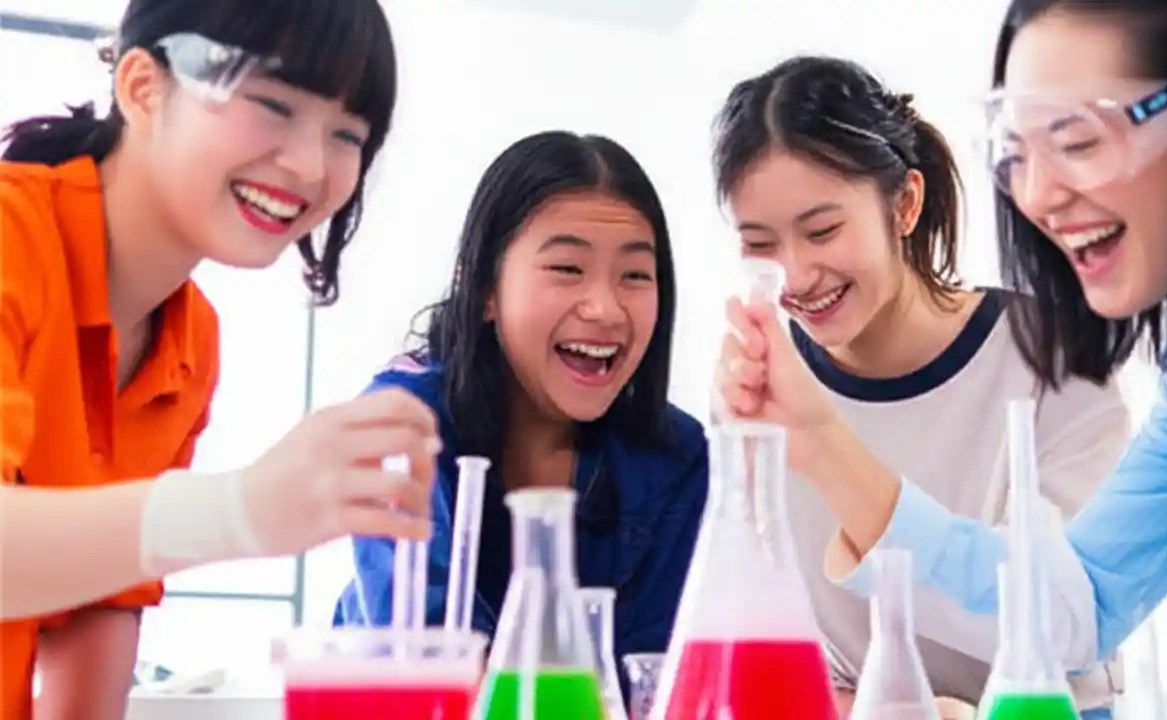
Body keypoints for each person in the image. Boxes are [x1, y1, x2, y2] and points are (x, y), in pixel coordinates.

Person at [717, 0, 1167, 705]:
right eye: (1018, 151)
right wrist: (818, 439)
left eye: (1078, 140)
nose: (1038, 196)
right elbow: (1077, 610)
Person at [0, 2, 440, 719]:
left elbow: (100, 606)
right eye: (272, 103)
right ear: (144, 86)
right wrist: (241, 510)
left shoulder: (188, 340)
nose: (310, 164)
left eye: (347, 134)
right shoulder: (9, 238)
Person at [710, 55, 1130, 715]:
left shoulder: (1053, 356)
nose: (793, 275)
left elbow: (1069, 621)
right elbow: (766, 652)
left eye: (822, 231)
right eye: (760, 244)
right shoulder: (761, 393)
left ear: (904, 203)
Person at [334, 131, 708, 683]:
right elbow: (417, 657)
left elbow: (657, 679)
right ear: (484, 287)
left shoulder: (675, 458)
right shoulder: (402, 425)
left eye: (635, 275)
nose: (605, 308)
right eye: (567, 269)